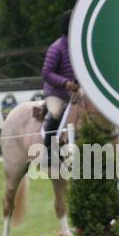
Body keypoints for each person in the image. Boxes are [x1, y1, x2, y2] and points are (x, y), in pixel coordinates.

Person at [41, 9, 79, 150]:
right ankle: (48, 151)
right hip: (56, 93)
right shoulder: (56, 48)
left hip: (76, 93)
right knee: (56, 113)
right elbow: (46, 72)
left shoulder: (80, 46)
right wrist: (65, 83)